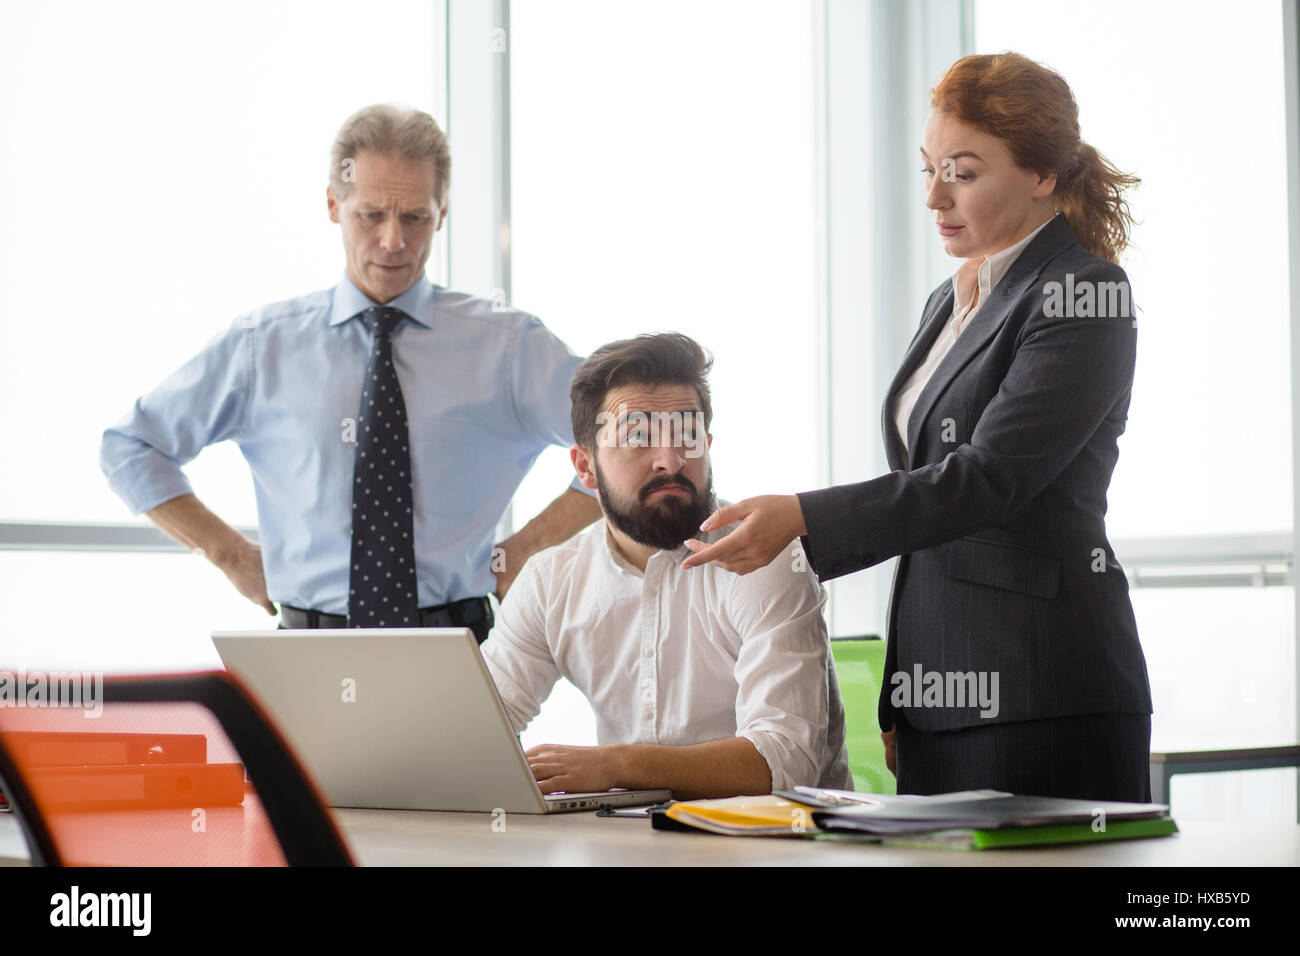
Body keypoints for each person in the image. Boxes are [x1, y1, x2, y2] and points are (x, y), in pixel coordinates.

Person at [680, 53, 1153, 802]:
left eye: (963, 172)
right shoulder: (951, 298)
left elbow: (987, 480)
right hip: (944, 698)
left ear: (1041, 175)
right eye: (928, 168)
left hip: (1040, 690)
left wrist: (802, 517)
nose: (935, 196)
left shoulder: (1083, 294)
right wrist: (906, 689)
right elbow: (925, 504)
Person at [100, 104, 601, 641]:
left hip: (460, 643)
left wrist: (527, 550)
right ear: (333, 204)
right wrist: (229, 554)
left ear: (443, 213)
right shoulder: (261, 345)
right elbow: (130, 447)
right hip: (305, 650)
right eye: (371, 214)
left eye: (415, 217)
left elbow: (624, 443)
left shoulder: (507, 347)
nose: (393, 240)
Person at [480, 333, 851, 799]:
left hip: (778, 847)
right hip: (628, 844)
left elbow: (785, 761)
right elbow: (476, 729)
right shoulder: (551, 581)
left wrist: (615, 764)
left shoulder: (764, 557)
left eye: (688, 435)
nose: (670, 461)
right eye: (638, 437)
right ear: (585, 467)